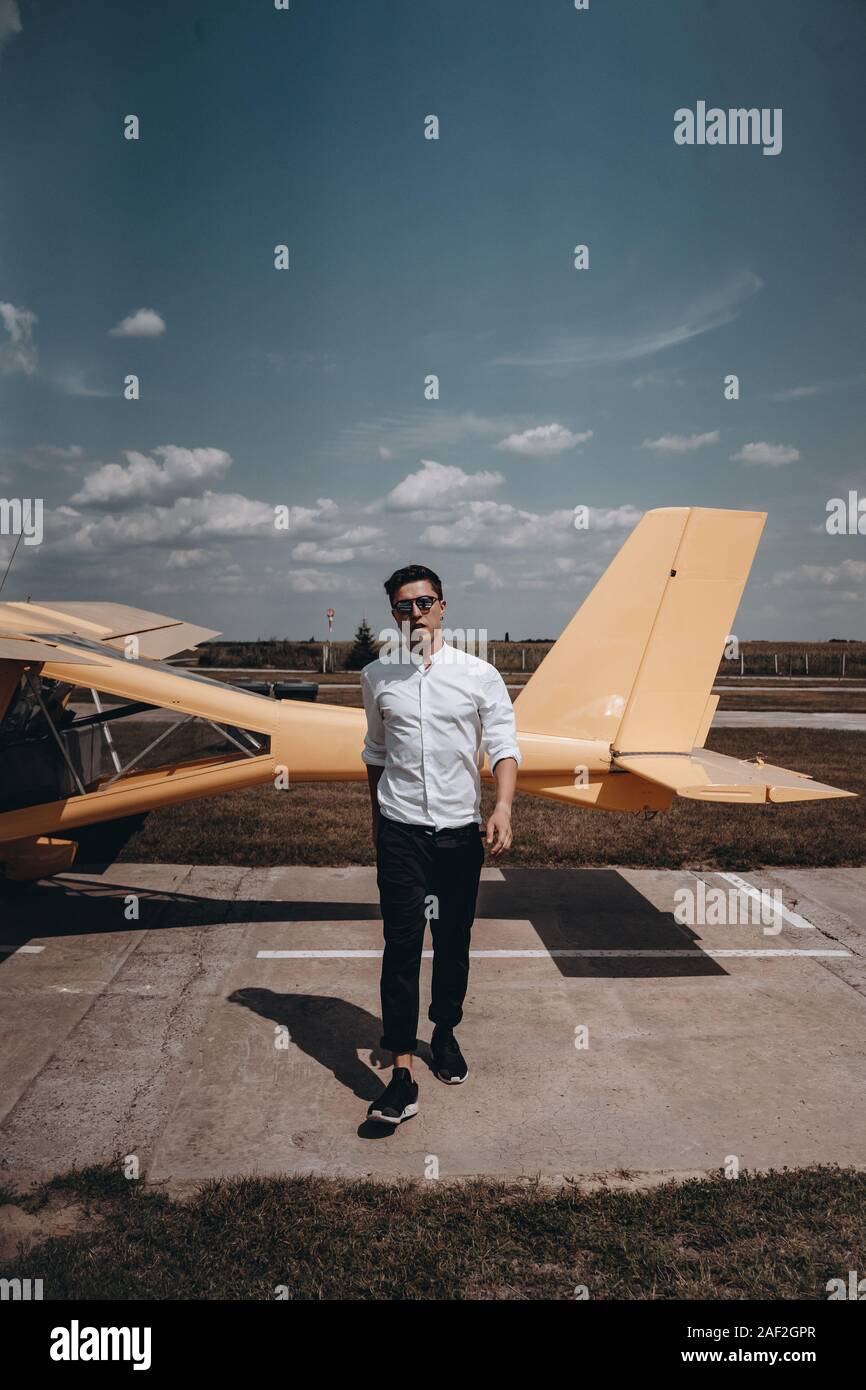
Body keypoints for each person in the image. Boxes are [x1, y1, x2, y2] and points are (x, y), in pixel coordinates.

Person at [360, 564, 520, 1126]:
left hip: (459, 834)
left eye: (423, 603)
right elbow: (376, 755)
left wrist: (501, 806)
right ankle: (401, 1075)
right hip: (401, 831)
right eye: (403, 607)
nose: (415, 615)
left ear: (443, 606)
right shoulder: (378, 676)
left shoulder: (479, 675)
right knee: (401, 947)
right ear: (394, 616)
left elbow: (503, 744)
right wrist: (377, 822)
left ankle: (444, 1031)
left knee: (452, 943)